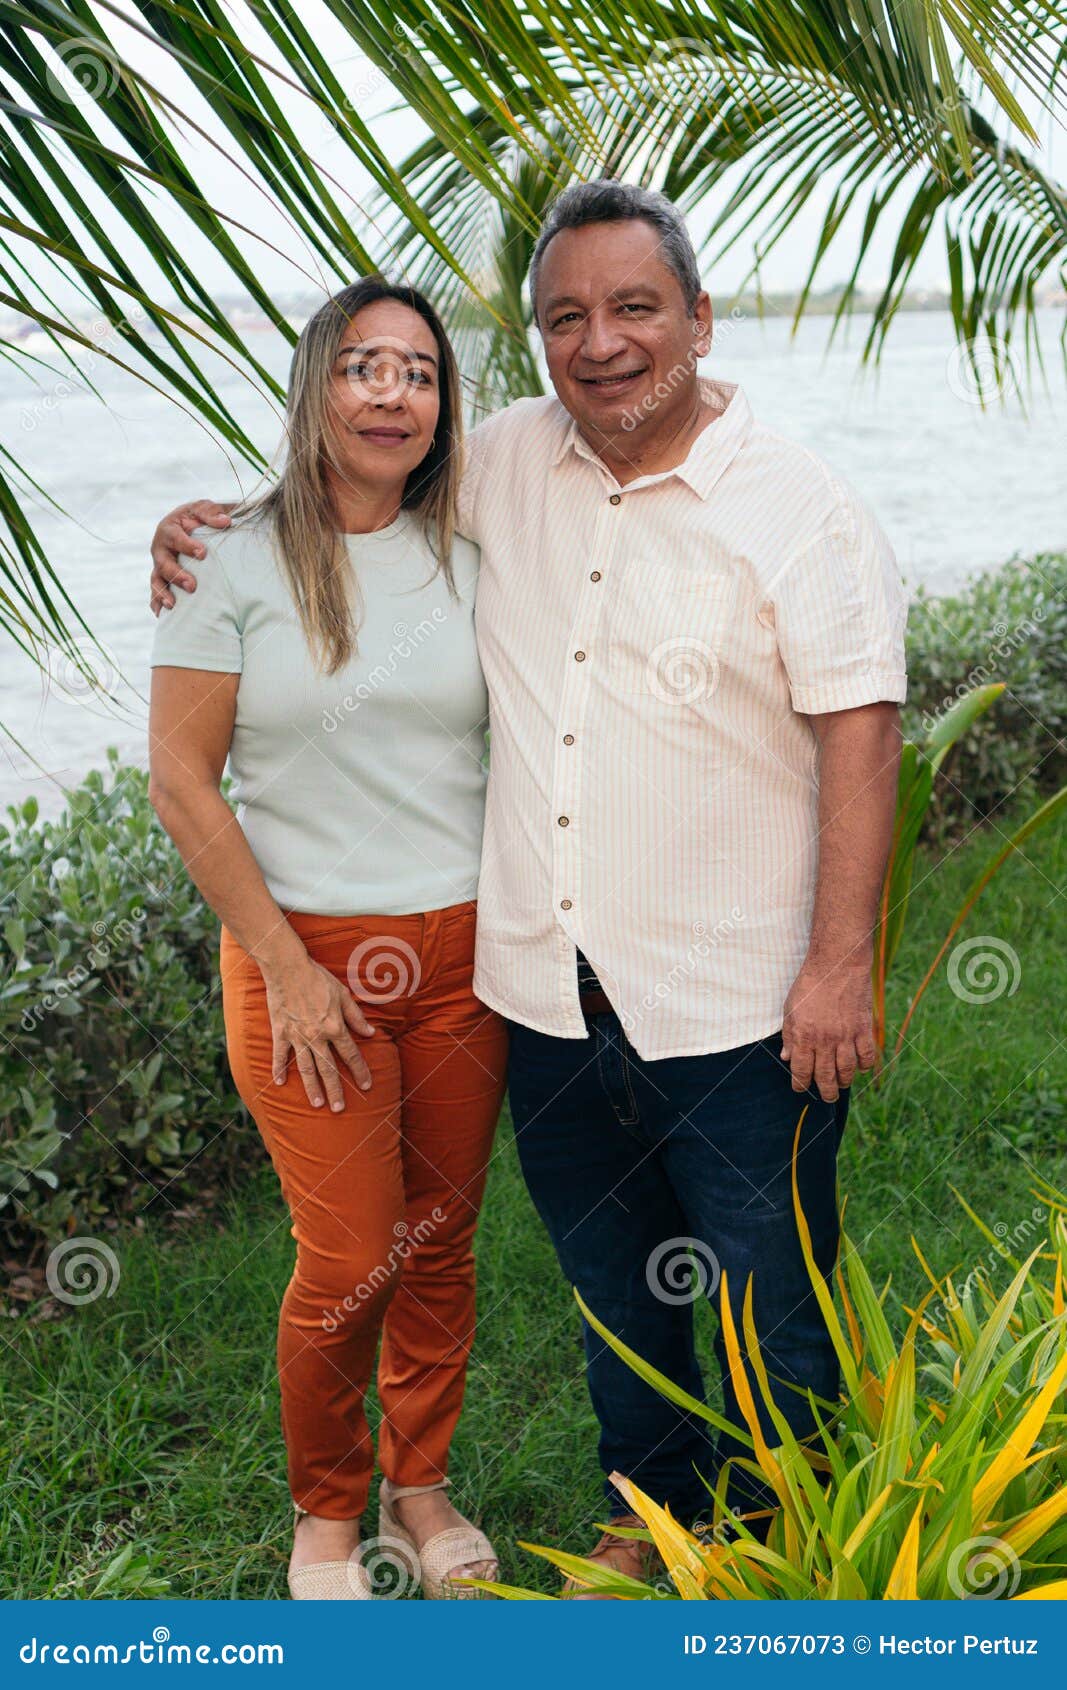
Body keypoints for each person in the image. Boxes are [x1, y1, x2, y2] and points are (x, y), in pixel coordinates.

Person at [149, 181, 908, 1597]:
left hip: (737, 991)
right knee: (616, 1280)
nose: (602, 343)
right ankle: (648, 1510)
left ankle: (796, 1537)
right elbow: (352, 492)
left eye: (635, 308)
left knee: (763, 1280)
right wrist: (208, 534)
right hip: (546, 991)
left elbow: (859, 724)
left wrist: (839, 961)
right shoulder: (499, 466)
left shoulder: (800, 502)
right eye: (567, 317)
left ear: (698, 317)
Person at [148, 277, 508, 1600]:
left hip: (468, 954)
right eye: (364, 366)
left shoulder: (476, 546)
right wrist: (289, 968)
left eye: (418, 372)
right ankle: (323, 1510)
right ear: (317, 387)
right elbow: (181, 780)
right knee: (350, 1257)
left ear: (441, 405)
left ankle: (420, 1487)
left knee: (436, 1239)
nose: (392, 392)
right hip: (306, 963)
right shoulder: (227, 558)